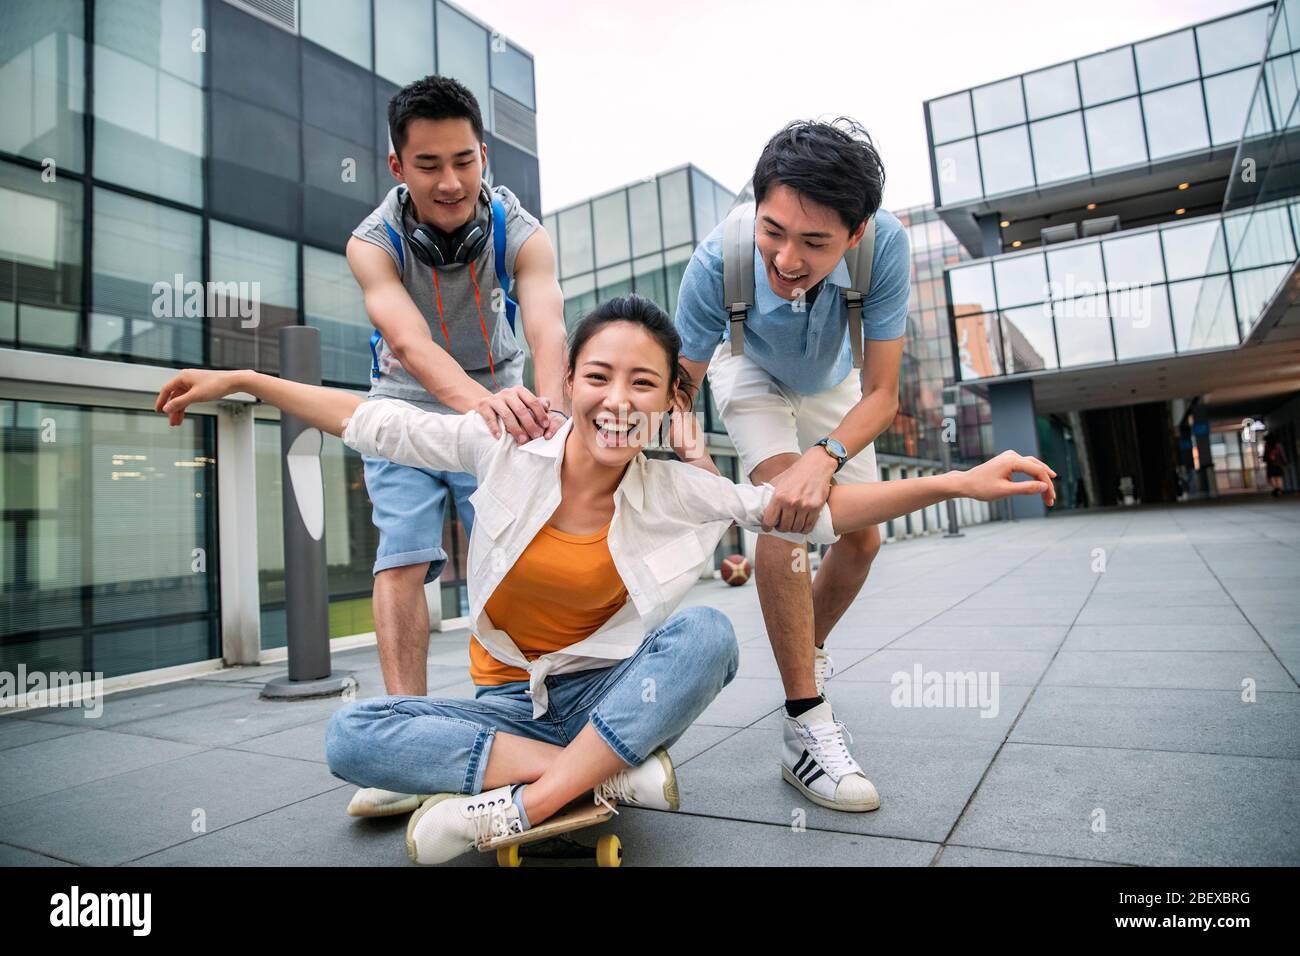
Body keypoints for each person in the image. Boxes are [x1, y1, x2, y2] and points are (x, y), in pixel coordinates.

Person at [153, 294, 1055, 866]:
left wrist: (955, 480)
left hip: (604, 693)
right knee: (351, 734)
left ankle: (519, 805)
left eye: (643, 382)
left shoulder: (680, 490)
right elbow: (375, 421)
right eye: (597, 375)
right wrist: (247, 376)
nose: (616, 397)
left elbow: (807, 516)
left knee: (707, 637)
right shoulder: (504, 446)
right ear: (570, 383)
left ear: (670, 400)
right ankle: (603, 779)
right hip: (508, 701)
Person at [345, 75, 569, 816]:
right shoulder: (370, 245)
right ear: (396, 167)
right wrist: (483, 408)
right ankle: (404, 742)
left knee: (504, 550)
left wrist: (555, 412)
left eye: (465, 161)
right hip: (409, 403)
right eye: (430, 164)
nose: (451, 181)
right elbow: (407, 343)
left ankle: (507, 719)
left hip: (503, 390)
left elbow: (545, 324)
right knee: (404, 556)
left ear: (482, 156)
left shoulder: (518, 227)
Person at [673, 118, 911, 810]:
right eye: (774, 231)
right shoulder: (719, 259)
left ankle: (800, 650)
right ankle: (806, 726)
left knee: (863, 539)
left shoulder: (886, 248)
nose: (786, 259)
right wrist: (691, 456)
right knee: (787, 517)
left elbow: (882, 394)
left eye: (815, 243)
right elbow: (679, 389)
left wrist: (827, 453)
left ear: (856, 233)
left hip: (834, 381)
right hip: (750, 371)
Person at [1263, 433, 1288, 497]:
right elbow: (1282, 454)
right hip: (1278, 464)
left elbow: (1265, 454)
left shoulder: (1267, 445)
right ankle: (1278, 489)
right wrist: (1285, 462)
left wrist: (1265, 459)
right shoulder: (1278, 445)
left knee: (1272, 477)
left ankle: (1276, 489)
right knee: (1278, 477)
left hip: (1270, 464)